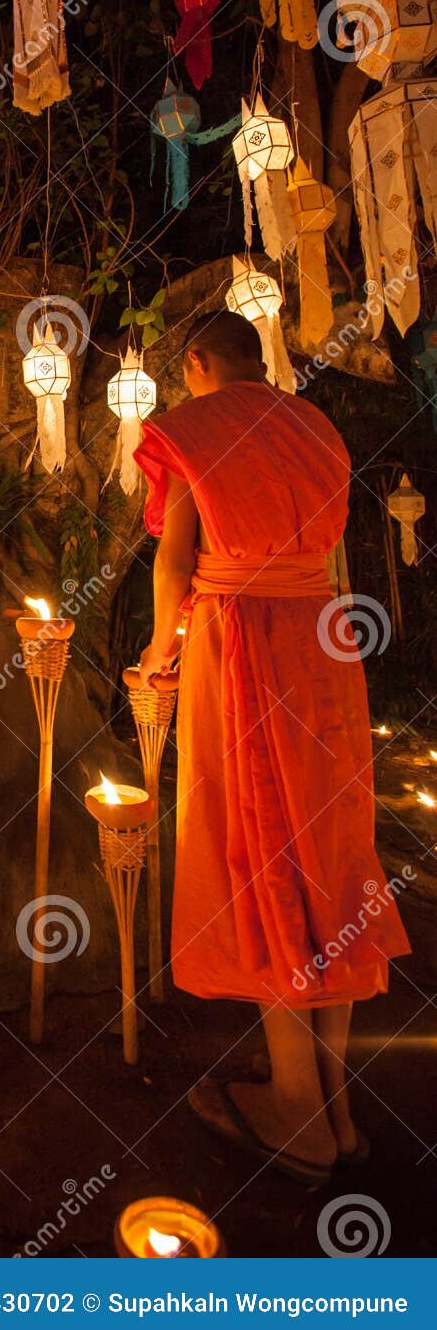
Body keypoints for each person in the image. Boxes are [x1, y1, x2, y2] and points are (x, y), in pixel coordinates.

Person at [135, 309, 409, 1187]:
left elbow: (174, 565)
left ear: (197, 364)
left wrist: (156, 655)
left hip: (242, 640)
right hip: (324, 646)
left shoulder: (193, 428)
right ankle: (332, 1102)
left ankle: (294, 1109)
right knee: (326, 852)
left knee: (262, 850)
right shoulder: (311, 423)